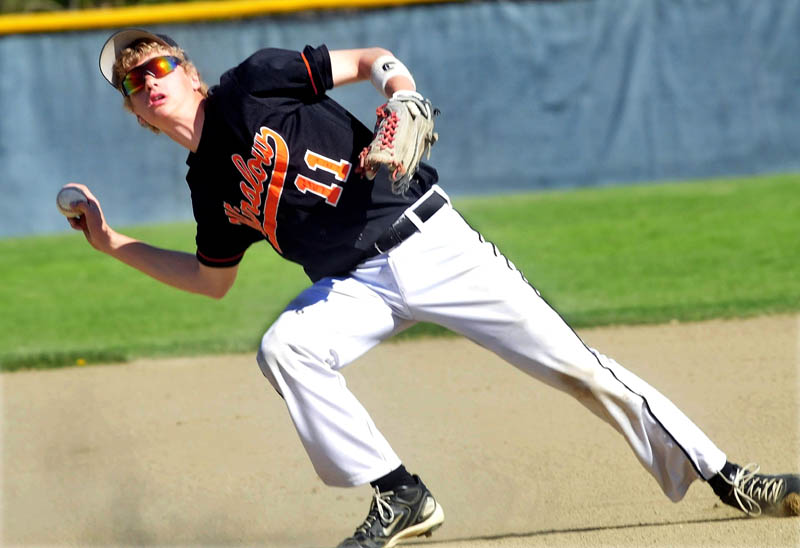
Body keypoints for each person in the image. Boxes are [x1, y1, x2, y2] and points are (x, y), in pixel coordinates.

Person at [66, 28, 798, 547]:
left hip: (430, 241)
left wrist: (402, 93)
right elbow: (210, 279)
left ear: (189, 72)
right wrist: (111, 243)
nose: (147, 80)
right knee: (286, 344)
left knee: (579, 370)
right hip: (355, 285)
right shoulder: (206, 187)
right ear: (135, 113)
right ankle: (400, 493)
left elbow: (373, 58)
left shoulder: (254, 81)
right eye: (132, 82)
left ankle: (730, 478)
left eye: (155, 63)